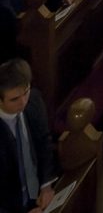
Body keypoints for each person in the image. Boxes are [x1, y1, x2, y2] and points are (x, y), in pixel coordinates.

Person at [0, 58, 56, 212]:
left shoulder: (34, 100)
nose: (23, 102)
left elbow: (44, 142)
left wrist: (46, 186)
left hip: (39, 195)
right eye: (14, 99)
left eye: (26, 92)